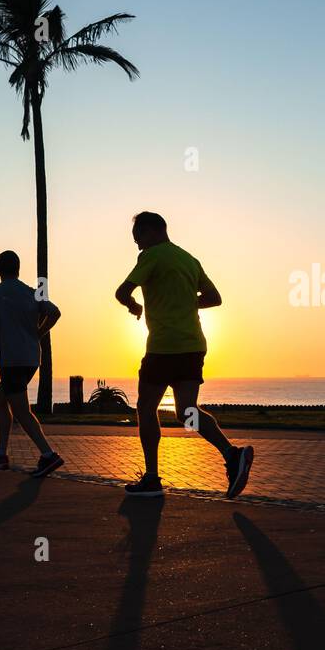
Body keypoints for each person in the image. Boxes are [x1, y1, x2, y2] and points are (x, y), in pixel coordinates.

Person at [114, 212, 253, 498]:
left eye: (138, 238)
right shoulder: (190, 259)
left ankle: (152, 477)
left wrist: (132, 306)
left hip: (163, 347)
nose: (137, 245)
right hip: (193, 345)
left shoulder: (151, 256)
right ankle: (231, 453)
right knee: (186, 411)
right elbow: (215, 298)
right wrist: (184, 304)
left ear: (150, 231)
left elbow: (121, 291)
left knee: (146, 408)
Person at [0, 250, 64, 477]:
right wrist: (38, 333)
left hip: (12, 360)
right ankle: (1, 454)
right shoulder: (32, 293)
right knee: (0, 400)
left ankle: (48, 455)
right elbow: (55, 312)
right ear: (18, 268)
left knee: (21, 411)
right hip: (31, 358)